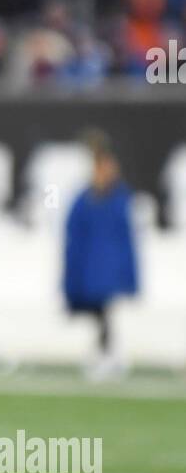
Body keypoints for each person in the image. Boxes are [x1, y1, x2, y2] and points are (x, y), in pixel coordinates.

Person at [64, 132, 138, 380]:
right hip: (91, 268)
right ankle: (104, 352)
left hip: (106, 268)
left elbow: (125, 237)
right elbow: (73, 233)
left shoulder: (118, 199)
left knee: (105, 313)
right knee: (98, 314)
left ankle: (107, 353)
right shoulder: (83, 199)